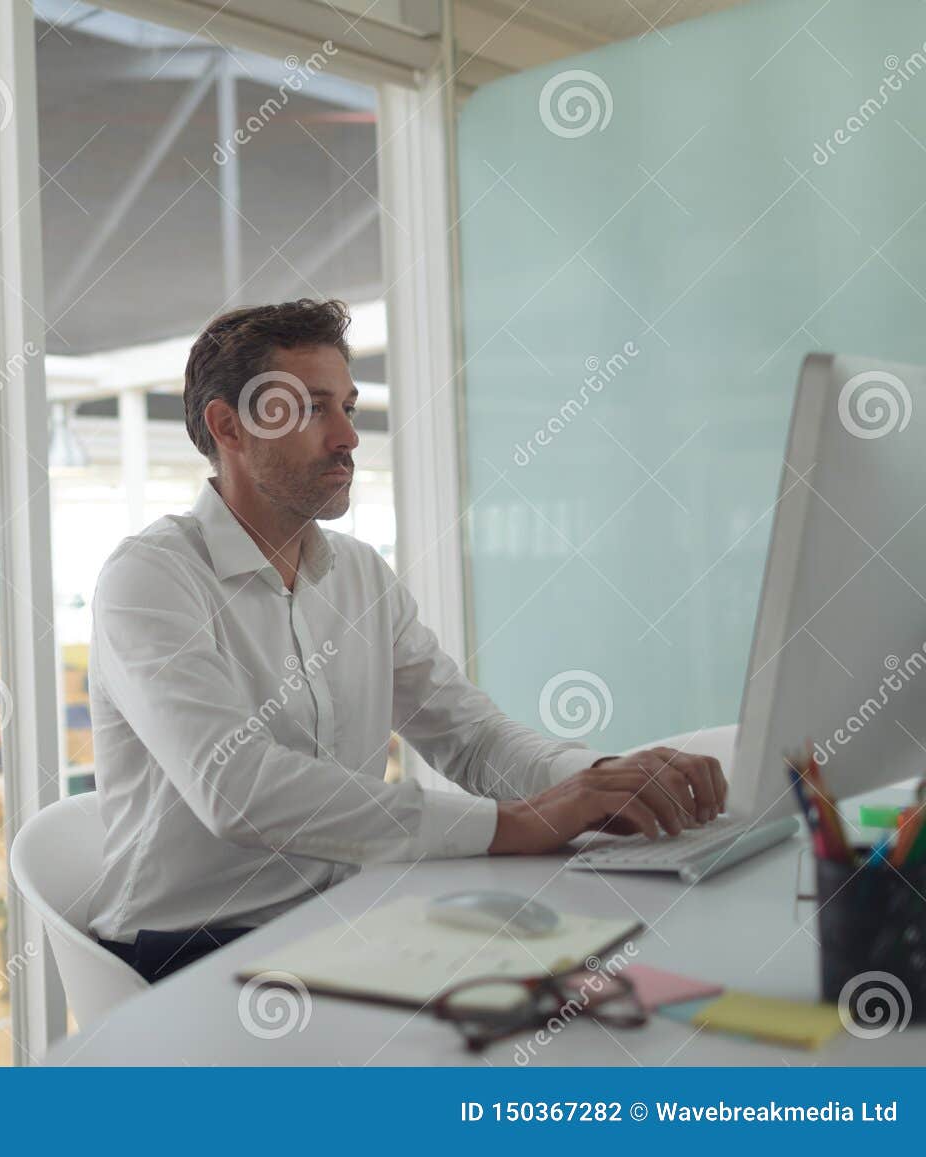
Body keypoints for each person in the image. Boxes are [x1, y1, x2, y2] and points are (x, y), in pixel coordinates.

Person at [87, 299, 725, 983]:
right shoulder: (150, 577)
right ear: (228, 427)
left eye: (349, 408)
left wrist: (602, 781)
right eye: (310, 409)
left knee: (597, 987)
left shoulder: (359, 574)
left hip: (343, 921)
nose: (348, 438)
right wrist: (509, 825)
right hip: (189, 952)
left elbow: (471, 738)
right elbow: (235, 784)